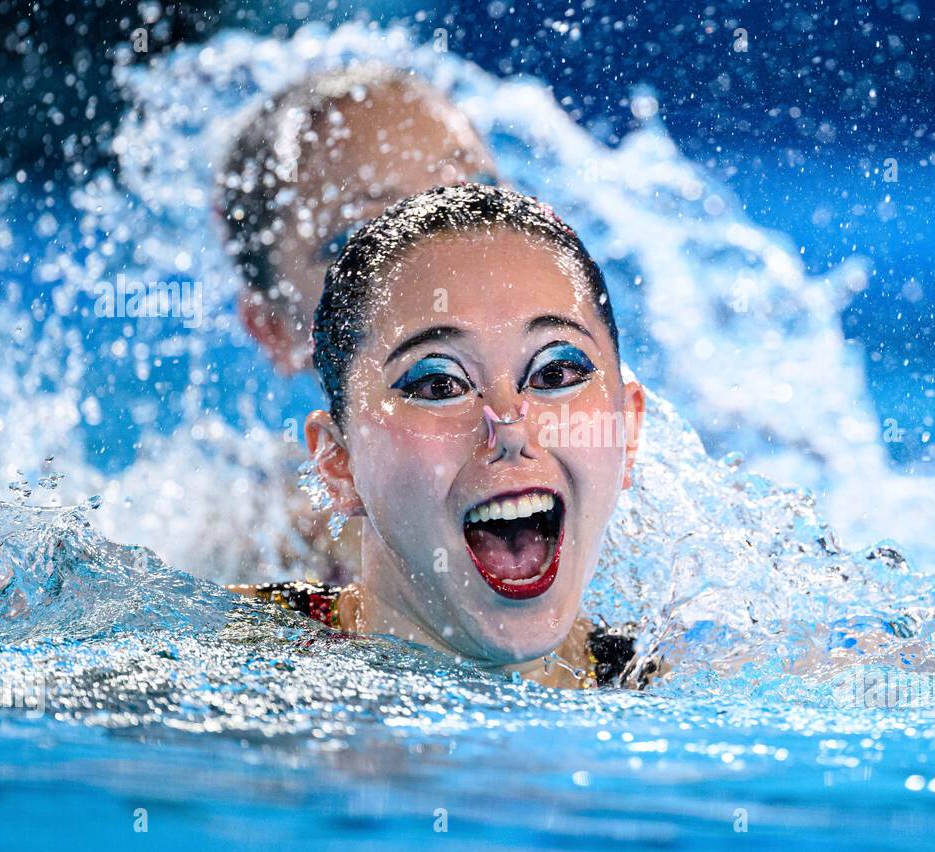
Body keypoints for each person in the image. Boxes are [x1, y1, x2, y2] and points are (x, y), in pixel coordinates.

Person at [234, 183, 654, 690]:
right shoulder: (226, 666)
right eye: (439, 385)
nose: (509, 426)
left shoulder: (679, 708)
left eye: (556, 373)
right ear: (338, 463)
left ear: (627, 429)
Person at [216, 64, 500, 580]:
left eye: (472, 197)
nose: (443, 252)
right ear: (277, 330)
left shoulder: (617, 468)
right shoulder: (285, 567)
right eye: (362, 237)